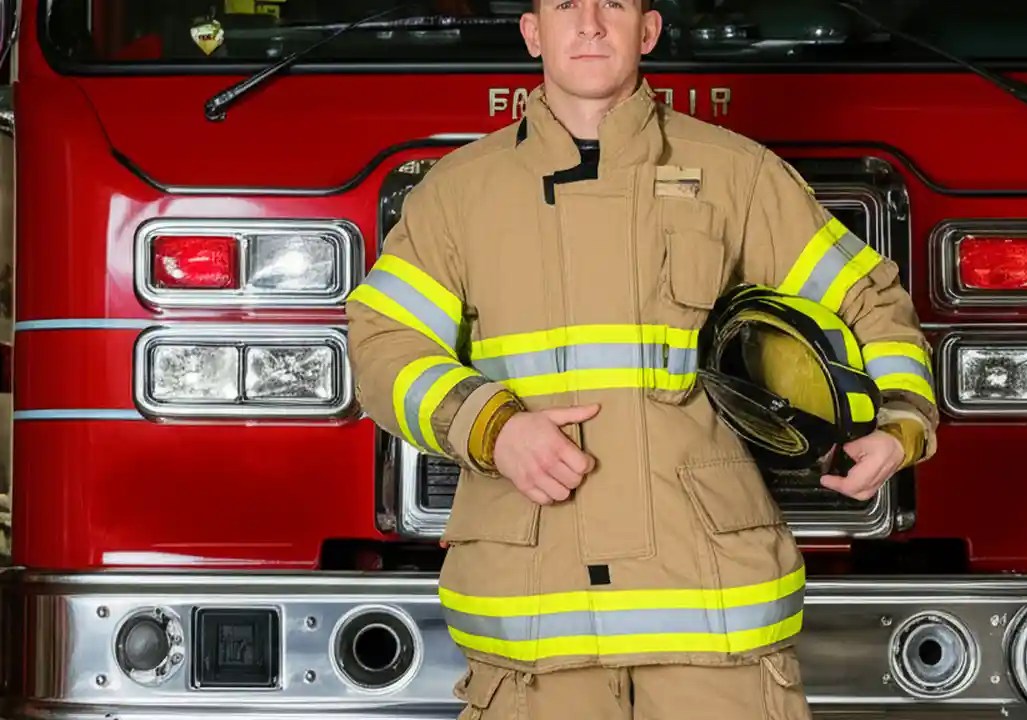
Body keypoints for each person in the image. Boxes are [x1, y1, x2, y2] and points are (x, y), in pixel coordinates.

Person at [344, 0, 939, 717]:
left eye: (613, 4)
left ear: (648, 30)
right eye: (566, 4)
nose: (590, 22)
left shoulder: (738, 176)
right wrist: (494, 429)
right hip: (534, 623)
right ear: (533, 32)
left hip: (713, 621)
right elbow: (383, 343)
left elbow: (870, 302)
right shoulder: (457, 194)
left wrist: (901, 419)